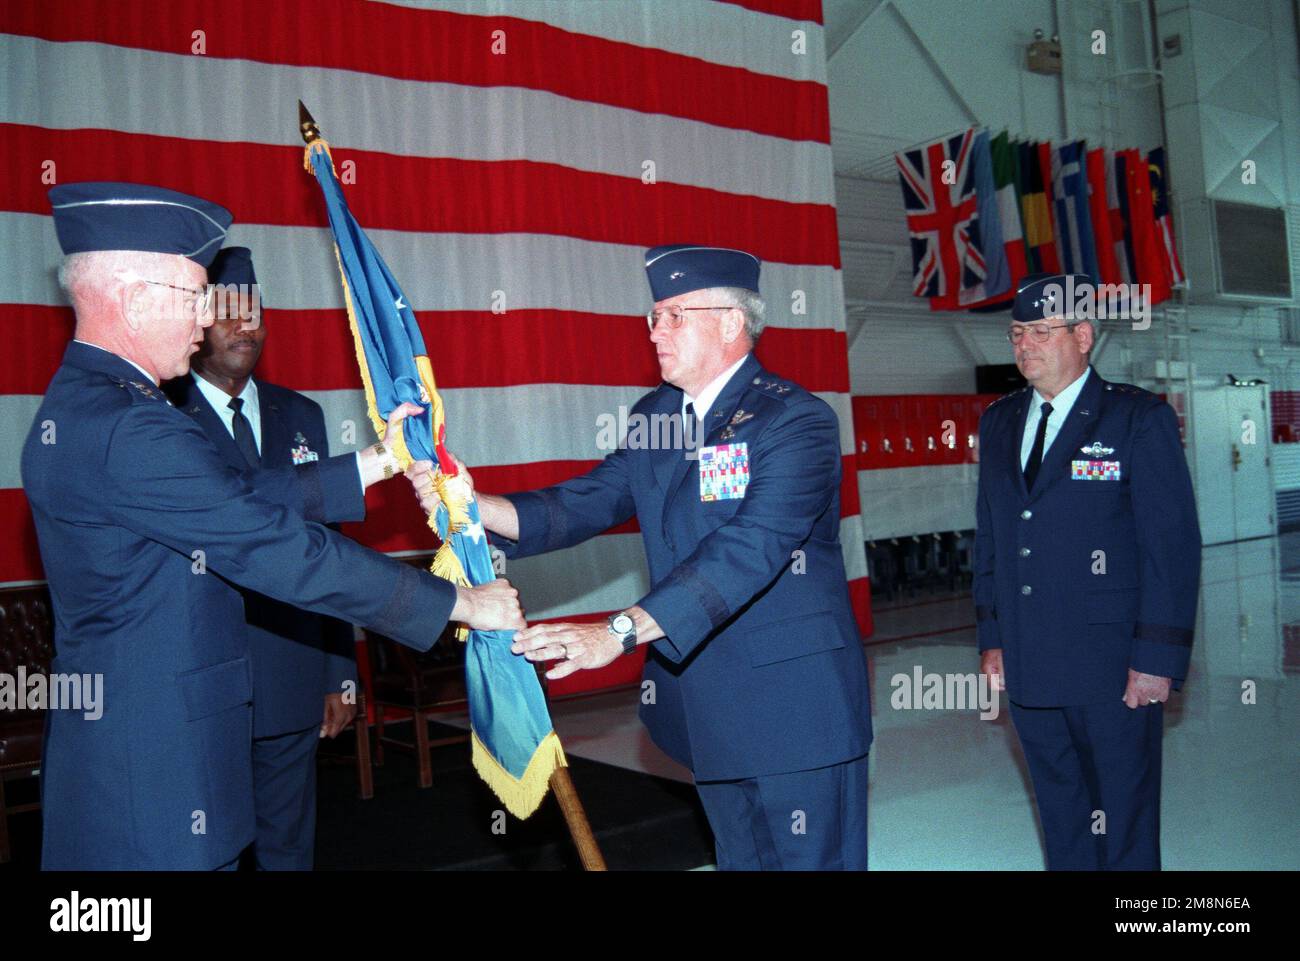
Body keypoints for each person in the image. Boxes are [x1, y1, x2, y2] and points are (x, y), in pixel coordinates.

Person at [23, 182, 523, 870]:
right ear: (136, 300)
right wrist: (463, 603)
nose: (207, 318)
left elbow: (231, 498)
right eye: (196, 296)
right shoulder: (129, 426)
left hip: (138, 763)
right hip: (154, 787)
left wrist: (377, 462)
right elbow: (270, 543)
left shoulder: (94, 405)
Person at [409, 245, 872, 870]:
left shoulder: (794, 420)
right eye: (654, 316)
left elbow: (749, 548)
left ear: (731, 324)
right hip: (707, 705)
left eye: (675, 315)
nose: (656, 331)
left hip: (794, 707)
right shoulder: (656, 417)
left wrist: (617, 631)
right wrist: (471, 503)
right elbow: (584, 503)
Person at [974, 273, 1200, 870]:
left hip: (1112, 663)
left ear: (1082, 336)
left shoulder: (1135, 418)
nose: (1024, 345)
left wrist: (1156, 659)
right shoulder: (999, 421)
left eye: (1040, 332)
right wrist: (993, 637)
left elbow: (1171, 548)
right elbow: (992, 537)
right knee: (1060, 809)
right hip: (1029, 657)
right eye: (1017, 333)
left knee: (1123, 815)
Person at [163, 246, 358, 869]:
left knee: (288, 849)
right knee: (204, 850)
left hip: (292, 672)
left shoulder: (301, 414)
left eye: (255, 313)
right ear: (196, 322)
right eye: (228, 312)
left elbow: (328, 550)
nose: (245, 327)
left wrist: (337, 673)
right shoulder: (159, 417)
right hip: (198, 681)